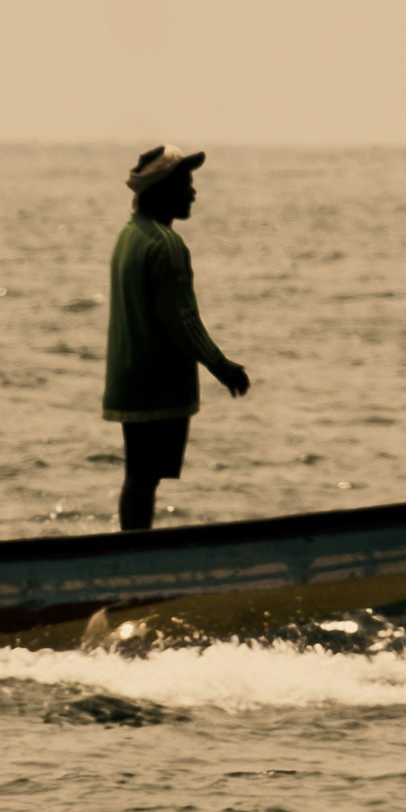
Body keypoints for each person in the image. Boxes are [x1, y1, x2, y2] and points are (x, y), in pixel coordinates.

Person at [102, 146, 252, 532]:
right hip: (158, 385)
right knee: (145, 476)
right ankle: (138, 551)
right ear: (163, 191)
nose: (192, 193)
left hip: (128, 379)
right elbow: (181, 320)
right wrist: (222, 366)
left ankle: (131, 545)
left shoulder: (128, 237)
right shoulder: (166, 245)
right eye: (185, 184)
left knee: (138, 474)